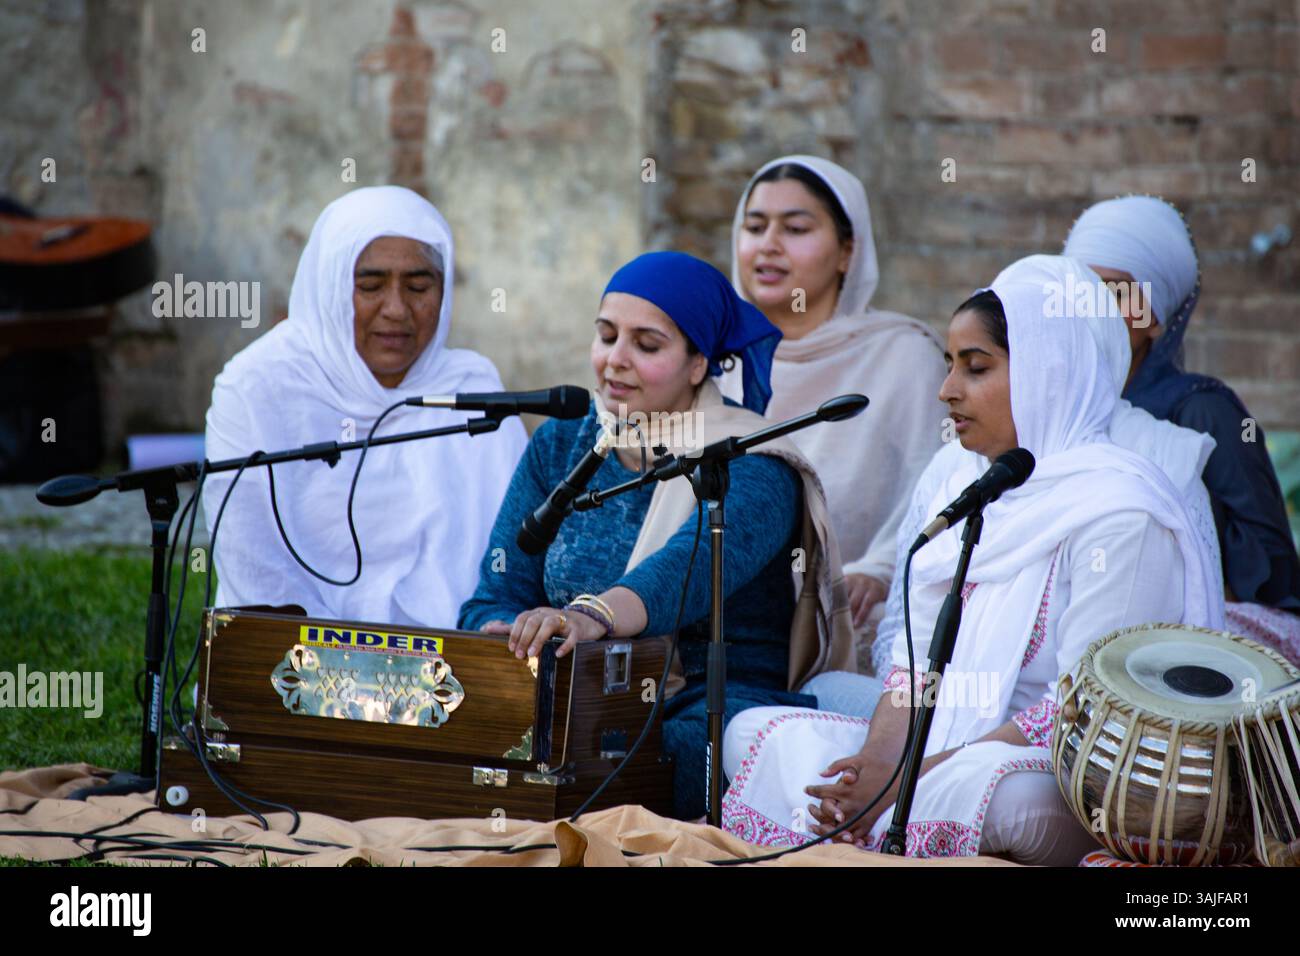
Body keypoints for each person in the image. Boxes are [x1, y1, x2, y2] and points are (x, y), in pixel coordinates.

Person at [720, 255, 1222, 863]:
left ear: (1049, 372)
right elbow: (915, 671)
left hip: (1056, 766)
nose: (947, 390)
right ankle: (876, 819)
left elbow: (1087, 709)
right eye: (950, 365)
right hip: (941, 750)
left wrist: (904, 783)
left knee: (1012, 802)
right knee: (753, 736)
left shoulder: (1122, 511)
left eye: (975, 367)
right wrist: (876, 766)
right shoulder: (978, 485)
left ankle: (885, 820)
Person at [458, 251, 856, 819]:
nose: (614, 361)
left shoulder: (752, 462)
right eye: (605, 336)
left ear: (699, 363)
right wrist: (503, 636)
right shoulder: (563, 443)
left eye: (646, 345)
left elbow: (683, 572)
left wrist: (587, 616)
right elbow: (496, 590)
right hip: (568, 702)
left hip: (707, 711)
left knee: (603, 776)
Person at [203, 186, 527, 626]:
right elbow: (258, 571)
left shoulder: (471, 390)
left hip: (458, 663)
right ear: (330, 286)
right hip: (294, 664)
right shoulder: (259, 388)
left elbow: (513, 557)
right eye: (369, 286)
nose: (396, 309)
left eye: (418, 286)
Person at [722, 156, 947, 671]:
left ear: (848, 251)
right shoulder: (713, 358)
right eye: (754, 227)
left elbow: (937, 484)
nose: (769, 244)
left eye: (796, 228)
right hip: (722, 624)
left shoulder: (902, 355)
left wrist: (883, 569)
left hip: (856, 620)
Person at [1063, 196, 1300, 658]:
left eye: (1112, 291)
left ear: (1153, 315)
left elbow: (1271, 571)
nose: (1089, 308)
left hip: (1195, 641)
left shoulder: (1203, 411)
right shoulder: (1061, 409)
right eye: (1077, 290)